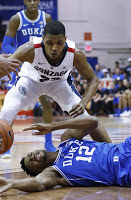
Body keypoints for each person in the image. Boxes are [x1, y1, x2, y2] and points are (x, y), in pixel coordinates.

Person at [1, 104, 131, 193]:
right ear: (38, 169)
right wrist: (12, 184)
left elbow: (92, 122)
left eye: (29, 155)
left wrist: (53, 126)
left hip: (127, 148)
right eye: (31, 162)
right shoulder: (54, 173)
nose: (33, 157)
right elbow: (38, 184)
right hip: (128, 172)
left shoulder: (66, 140)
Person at [0, 20, 111, 148]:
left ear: (65, 40)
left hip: (59, 83)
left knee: (87, 120)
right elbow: (3, 70)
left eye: (59, 43)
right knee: (7, 111)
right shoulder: (29, 49)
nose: (54, 48)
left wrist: (83, 103)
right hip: (30, 81)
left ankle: (113, 154)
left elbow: (93, 79)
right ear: (42, 39)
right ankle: (4, 150)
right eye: (49, 43)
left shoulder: (75, 54)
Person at [1, 0, 54, 154]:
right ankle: (5, 146)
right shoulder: (16, 19)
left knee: (46, 101)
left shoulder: (47, 19)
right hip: (22, 65)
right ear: (24, 1)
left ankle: (49, 143)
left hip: (41, 66)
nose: (32, 2)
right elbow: (6, 45)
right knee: (11, 106)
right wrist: (26, 52)